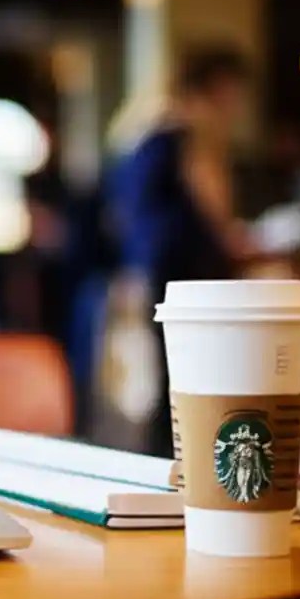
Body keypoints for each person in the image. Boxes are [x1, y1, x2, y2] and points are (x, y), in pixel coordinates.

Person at [108, 44, 253, 457]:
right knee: (194, 377)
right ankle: (189, 470)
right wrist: (234, 237)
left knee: (169, 375)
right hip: (188, 270)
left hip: (154, 268)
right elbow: (211, 201)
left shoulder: (142, 126)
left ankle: (164, 470)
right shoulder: (188, 132)